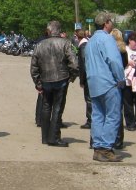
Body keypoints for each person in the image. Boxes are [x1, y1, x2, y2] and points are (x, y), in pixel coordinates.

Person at [30, 20, 79, 147]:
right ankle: (54, 137)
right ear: (59, 30)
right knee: (57, 108)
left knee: (46, 107)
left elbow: (33, 66)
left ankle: (45, 137)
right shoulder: (65, 43)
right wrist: (71, 77)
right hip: (61, 79)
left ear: (49, 30)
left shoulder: (40, 45)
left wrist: (38, 82)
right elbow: (74, 64)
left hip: (46, 80)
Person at [84, 12, 125, 162]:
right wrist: (121, 79)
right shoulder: (107, 39)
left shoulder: (90, 41)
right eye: (110, 22)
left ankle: (98, 146)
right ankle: (106, 148)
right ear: (106, 23)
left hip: (93, 83)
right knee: (112, 116)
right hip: (108, 82)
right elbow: (114, 61)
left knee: (98, 115)